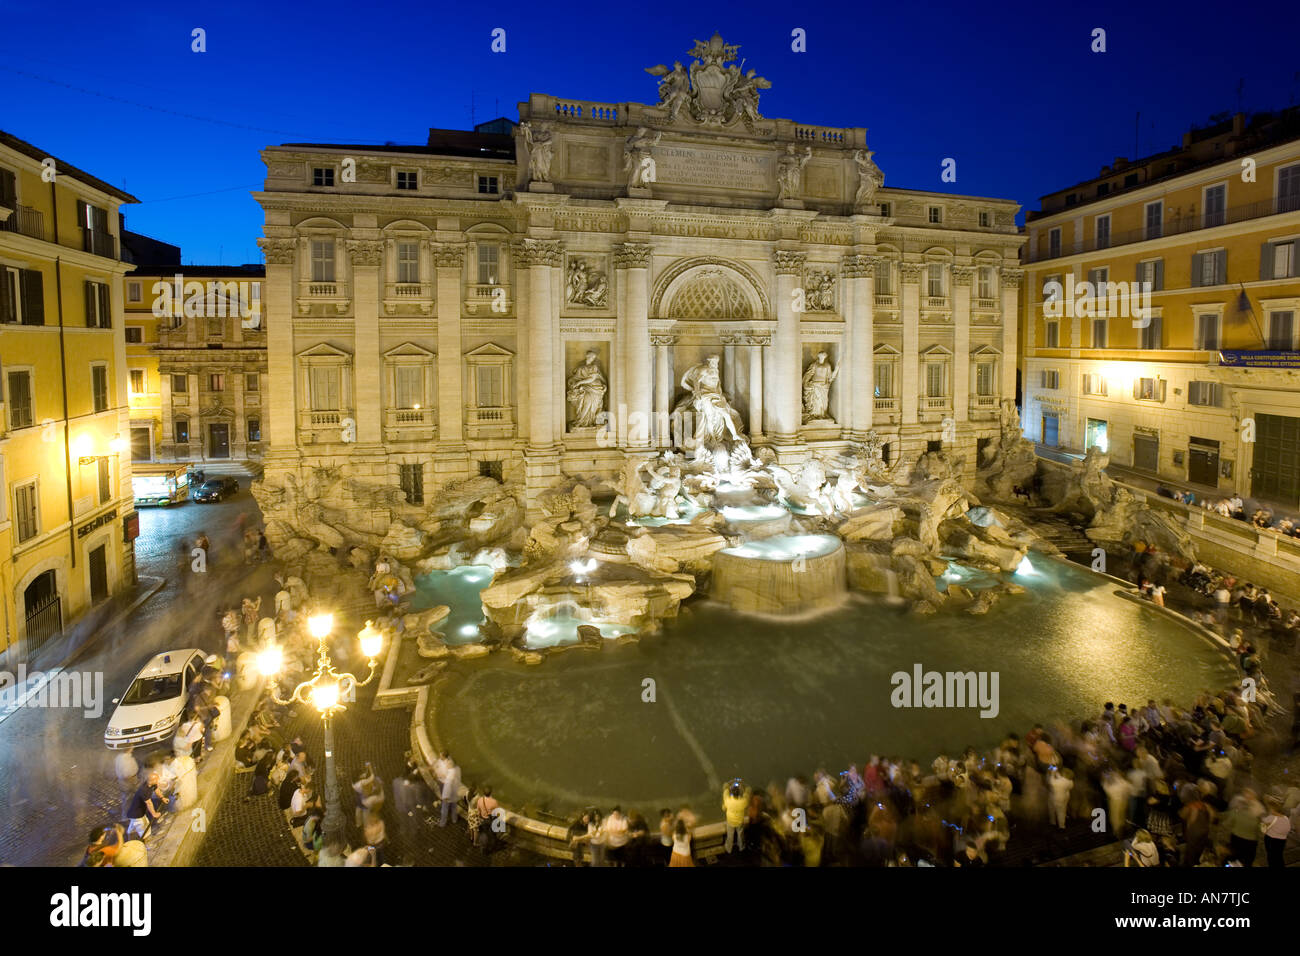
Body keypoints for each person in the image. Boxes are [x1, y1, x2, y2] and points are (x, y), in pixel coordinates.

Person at [126, 773, 166, 839]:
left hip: (140, 811)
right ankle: (146, 842)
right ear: (152, 780)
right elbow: (149, 803)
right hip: (137, 814)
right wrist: (154, 814)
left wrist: (162, 798)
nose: (158, 781)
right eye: (156, 780)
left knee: (134, 826)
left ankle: (130, 836)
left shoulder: (152, 784)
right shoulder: (144, 790)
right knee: (144, 827)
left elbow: (157, 790)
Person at [722, 779, 751, 853]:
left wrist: (729, 783)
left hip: (730, 821)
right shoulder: (743, 801)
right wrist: (742, 783)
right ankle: (741, 847)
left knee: (730, 836)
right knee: (740, 835)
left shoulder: (728, 801)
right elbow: (747, 791)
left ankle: (729, 849)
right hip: (739, 821)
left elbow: (725, 789)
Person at [1261, 796, 1291, 868]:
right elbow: (1288, 829)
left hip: (1271, 840)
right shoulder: (1286, 818)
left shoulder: (1271, 818)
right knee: (1279, 857)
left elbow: (1263, 830)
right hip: (1282, 841)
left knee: (1271, 858)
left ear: (1272, 809)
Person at [439, 757, 462, 827]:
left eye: (448, 763)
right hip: (455, 792)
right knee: (454, 807)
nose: (447, 765)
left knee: (444, 810)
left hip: (449, 795)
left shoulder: (450, 776)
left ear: (451, 765)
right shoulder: (457, 769)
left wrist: (445, 797)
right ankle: (454, 820)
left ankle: (442, 823)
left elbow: (447, 787)